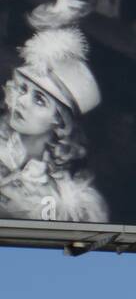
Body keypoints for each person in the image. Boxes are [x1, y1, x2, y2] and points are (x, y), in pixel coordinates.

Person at [0, 27, 107, 223]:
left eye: (39, 100)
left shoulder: (64, 199)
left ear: (59, 121)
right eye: (22, 89)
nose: (22, 101)